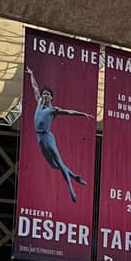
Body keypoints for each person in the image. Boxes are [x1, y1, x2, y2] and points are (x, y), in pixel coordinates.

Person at [25, 68, 91, 203]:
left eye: (48, 94)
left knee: (60, 164)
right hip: (40, 139)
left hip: (48, 137)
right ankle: (75, 176)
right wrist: (32, 74)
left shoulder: (53, 110)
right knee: (53, 166)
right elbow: (35, 87)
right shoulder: (39, 103)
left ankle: (71, 188)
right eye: (44, 93)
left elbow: (69, 112)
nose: (45, 95)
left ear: (51, 97)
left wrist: (83, 114)